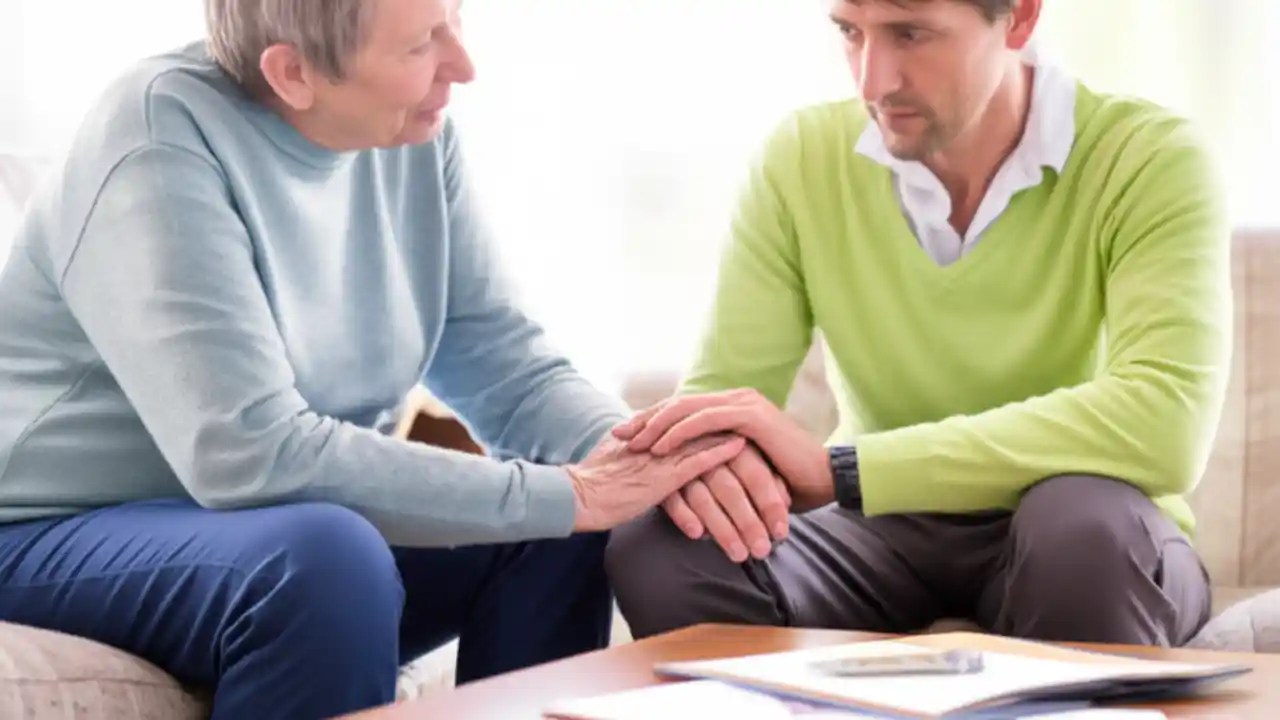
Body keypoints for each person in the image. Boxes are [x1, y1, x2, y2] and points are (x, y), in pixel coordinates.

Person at [0, 0, 757, 717]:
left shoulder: (406, 134)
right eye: (421, 42)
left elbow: (507, 365)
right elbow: (248, 454)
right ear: (292, 73)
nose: (463, 64)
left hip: (253, 535)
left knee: (555, 532)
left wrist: (657, 459)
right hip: (46, 533)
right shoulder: (157, 135)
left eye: (454, 20)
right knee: (328, 558)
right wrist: (574, 490)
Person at [606, 0, 1229, 648]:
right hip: (881, 531)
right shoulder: (801, 160)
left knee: (1079, 529)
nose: (873, 81)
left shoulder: (1148, 158)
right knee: (665, 545)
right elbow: (718, 409)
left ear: (1019, 17)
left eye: (910, 33)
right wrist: (706, 461)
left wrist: (845, 471)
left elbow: (1163, 422)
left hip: (1083, 523)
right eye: (850, 32)